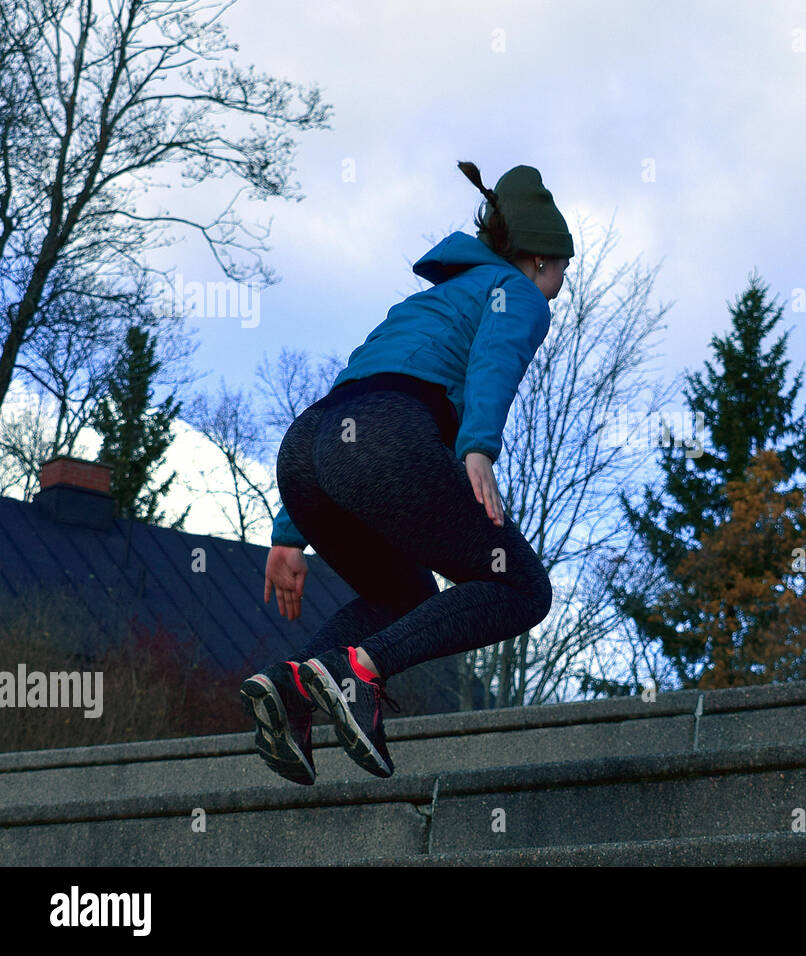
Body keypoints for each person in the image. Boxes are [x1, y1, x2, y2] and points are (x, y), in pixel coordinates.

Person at [239, 160, 572, 784]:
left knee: (407, 596)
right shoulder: (519, 294)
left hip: (309, 446)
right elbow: (497, 360)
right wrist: (478, 448)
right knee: (522, 588)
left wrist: (289, 533)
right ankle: (361, 669)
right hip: (383, 440)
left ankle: (289, 689)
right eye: (560, 272)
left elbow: (347, 403)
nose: (558, 287)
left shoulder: (426, 303)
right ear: (536, 260)